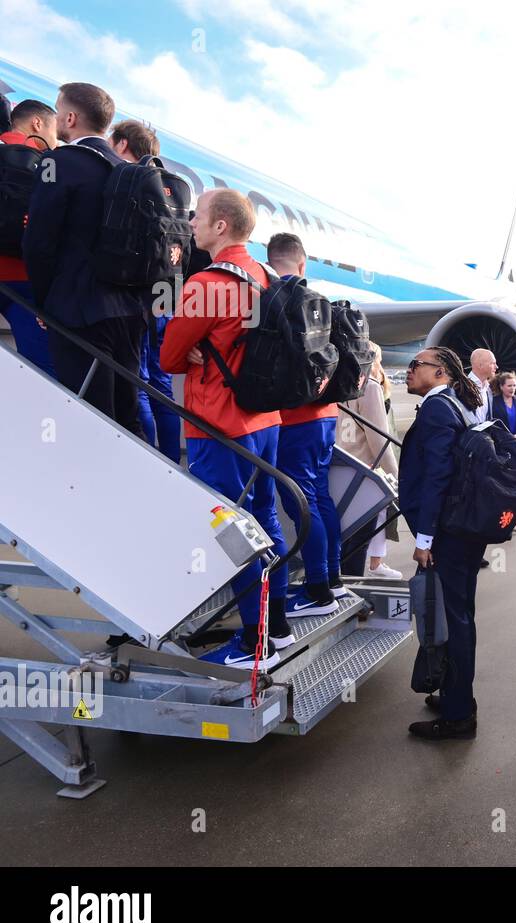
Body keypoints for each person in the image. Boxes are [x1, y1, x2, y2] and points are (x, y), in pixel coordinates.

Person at [159, 189, 290, 669]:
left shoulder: (208, 283)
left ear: (221, 227)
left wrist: (194, 351)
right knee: (265, 519)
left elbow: (169, 356)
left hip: (219, 422)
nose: (191, 222)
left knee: (233, 533)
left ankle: (254, 643)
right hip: (266, 420)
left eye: (199, 216)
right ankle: (275, 627)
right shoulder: (265, 275)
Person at [23, 82, 152, 434]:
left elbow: (39, 241)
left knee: (86, 418)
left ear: (70, 116)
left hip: (78, 310)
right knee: (126, 418)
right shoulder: (126, 171)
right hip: (128, 312)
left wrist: (45, 304)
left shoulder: (59, 162)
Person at [403, 347, 489, 741]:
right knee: (460, 615)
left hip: (447, 536)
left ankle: (458, 717)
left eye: (415, 365)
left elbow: (438, 476)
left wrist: (424, 539)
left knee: (455, 621)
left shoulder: (438, 409)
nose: (408, 371)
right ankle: (459, 696)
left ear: (438, 372)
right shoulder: (458, 402)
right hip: (464, 531)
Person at [266, 232, 346, 617]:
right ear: (302, 264)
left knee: (300, 502)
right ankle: (332, 578)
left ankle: (317, 589)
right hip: (326, 413)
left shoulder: (272, 299)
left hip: (293, 418)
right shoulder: (319, 303)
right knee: (319, 495)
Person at [107, 120, 182, 464]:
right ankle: (169, 461)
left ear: (122, 145)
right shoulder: (173, 187)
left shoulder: (131, 179)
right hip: (167, 297)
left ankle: (148, 461)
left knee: (138, 383)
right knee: (162, 389)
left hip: (139, 298)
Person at [0, 98, 57, 377]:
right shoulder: (51, 166)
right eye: (54, 130)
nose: (55, 139)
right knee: (41, 373)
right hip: (28, 282)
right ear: (38, 123)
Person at [338, 346, 402, 579]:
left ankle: (338, 587)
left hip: (336, 469)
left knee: (340, 542)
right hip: (363, 475)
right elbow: (379, 443)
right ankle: (353, 594)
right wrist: (395, 476)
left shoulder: (335, 382)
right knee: (357, 544)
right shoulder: (369, 387)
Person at [489, 369, 516, 445]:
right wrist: (508, 438)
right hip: (502, 443)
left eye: (514, 385)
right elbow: (493, 423)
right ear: (501, 387)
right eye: (509, 386)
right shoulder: (493, 402)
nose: (512, 388)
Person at [468, 348, 497, 424]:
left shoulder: (488, 389)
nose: (496, 367)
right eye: (493, 363)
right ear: (480, 365)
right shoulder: (461, 387)